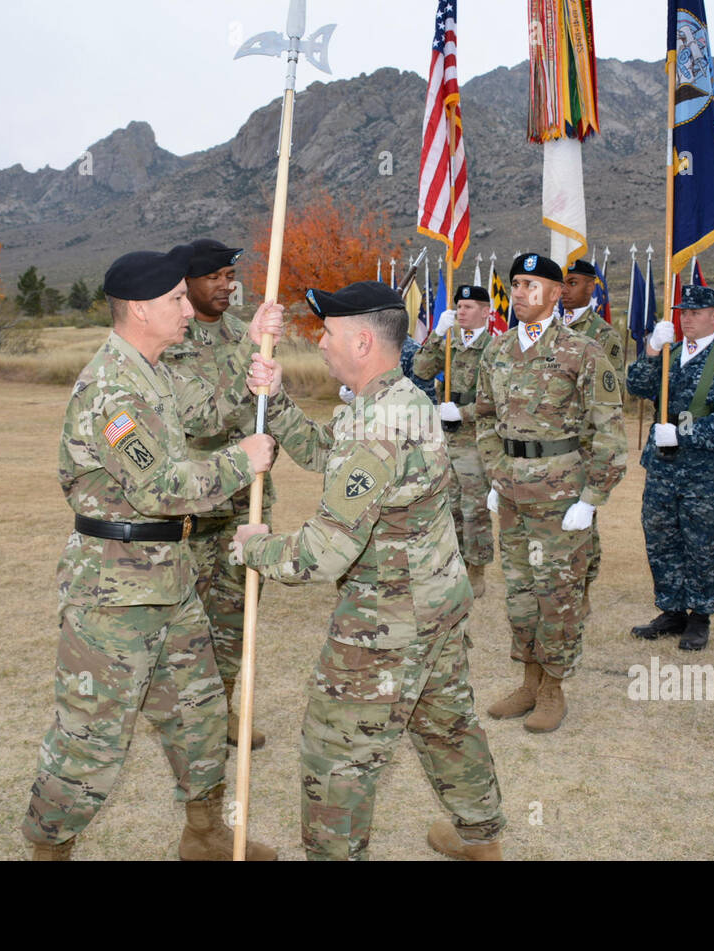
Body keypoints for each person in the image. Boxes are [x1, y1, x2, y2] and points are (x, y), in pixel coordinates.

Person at [21, 246, 281, 861]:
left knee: (199, 715)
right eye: (174, 300)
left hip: (171, 579)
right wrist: (241, 462)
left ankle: (204, 833)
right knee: (92, 739)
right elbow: (160, 487)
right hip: (116, 593)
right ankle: (49, 850)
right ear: (140, 309)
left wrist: (256, 374)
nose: (188, 308)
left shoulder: (154, 370)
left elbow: (209, 415)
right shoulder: (112, 391)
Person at [232, 281, 505, 861]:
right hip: (437, 601)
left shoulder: (377, 421)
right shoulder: (399, 399)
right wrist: (275, 400)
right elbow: (323, 449)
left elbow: (326, 551)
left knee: (336, 754)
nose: (321, 343)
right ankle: (481, 838)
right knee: (446, 724)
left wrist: (257, 548)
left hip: (388, 620)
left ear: (361, 341)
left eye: (327, 333)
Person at [476, 253, 628, 733]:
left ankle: (553, 689)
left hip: (562, 495)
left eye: (531, 284)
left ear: (557, 292)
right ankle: (528, 679)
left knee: (557, 594)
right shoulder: (496, 350)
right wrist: (497, 475)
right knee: (520, 592)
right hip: (512, 490)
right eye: (515, 284)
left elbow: (608, 430)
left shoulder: (582, 351)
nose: (519, 292)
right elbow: (485, 420)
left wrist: (591, 498)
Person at [161, 237, 271, 750]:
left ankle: (223, 708)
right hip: (193, 505)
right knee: (188, 625)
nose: (228, 285)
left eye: (231, 275)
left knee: (235, 619)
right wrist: (251, 346)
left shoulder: (240, 329)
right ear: (186, 282)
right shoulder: (170, 338)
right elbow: (201, 417)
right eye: (216, 277)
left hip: (242, 504)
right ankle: (190, 719)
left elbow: (269, 403)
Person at [626, 285, 714, 651]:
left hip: (709, 474)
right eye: (683, 312)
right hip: (664, 469)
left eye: (696, 313)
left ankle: (700, 615)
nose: (687, 319)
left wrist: (682, 435)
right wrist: (652, 350)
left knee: (703, 544)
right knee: (662, 540)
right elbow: (636, 385)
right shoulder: (671, 353)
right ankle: (671, 609)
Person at [411, 283, 496, 597]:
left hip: (475, 439)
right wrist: (436, 334)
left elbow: (500, 399)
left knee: (475, 509)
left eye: (469, 306)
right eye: (459, 306)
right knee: (447, 507)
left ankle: (477, 569)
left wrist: (463, 413)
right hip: (446, 439)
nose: (461, 311)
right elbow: (420, 369)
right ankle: (451, 563)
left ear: (486, 312)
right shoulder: (450, 343)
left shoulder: (494, 348)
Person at [560, 258, 627, 602]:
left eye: (573, 283)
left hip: (583, 443)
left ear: (591, 286)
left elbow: (614, 390)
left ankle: (583, 585)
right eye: (562, 283)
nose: (565, 290)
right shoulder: (547, 329)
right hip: (551, 442)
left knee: (583, 518)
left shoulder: (603, 335)